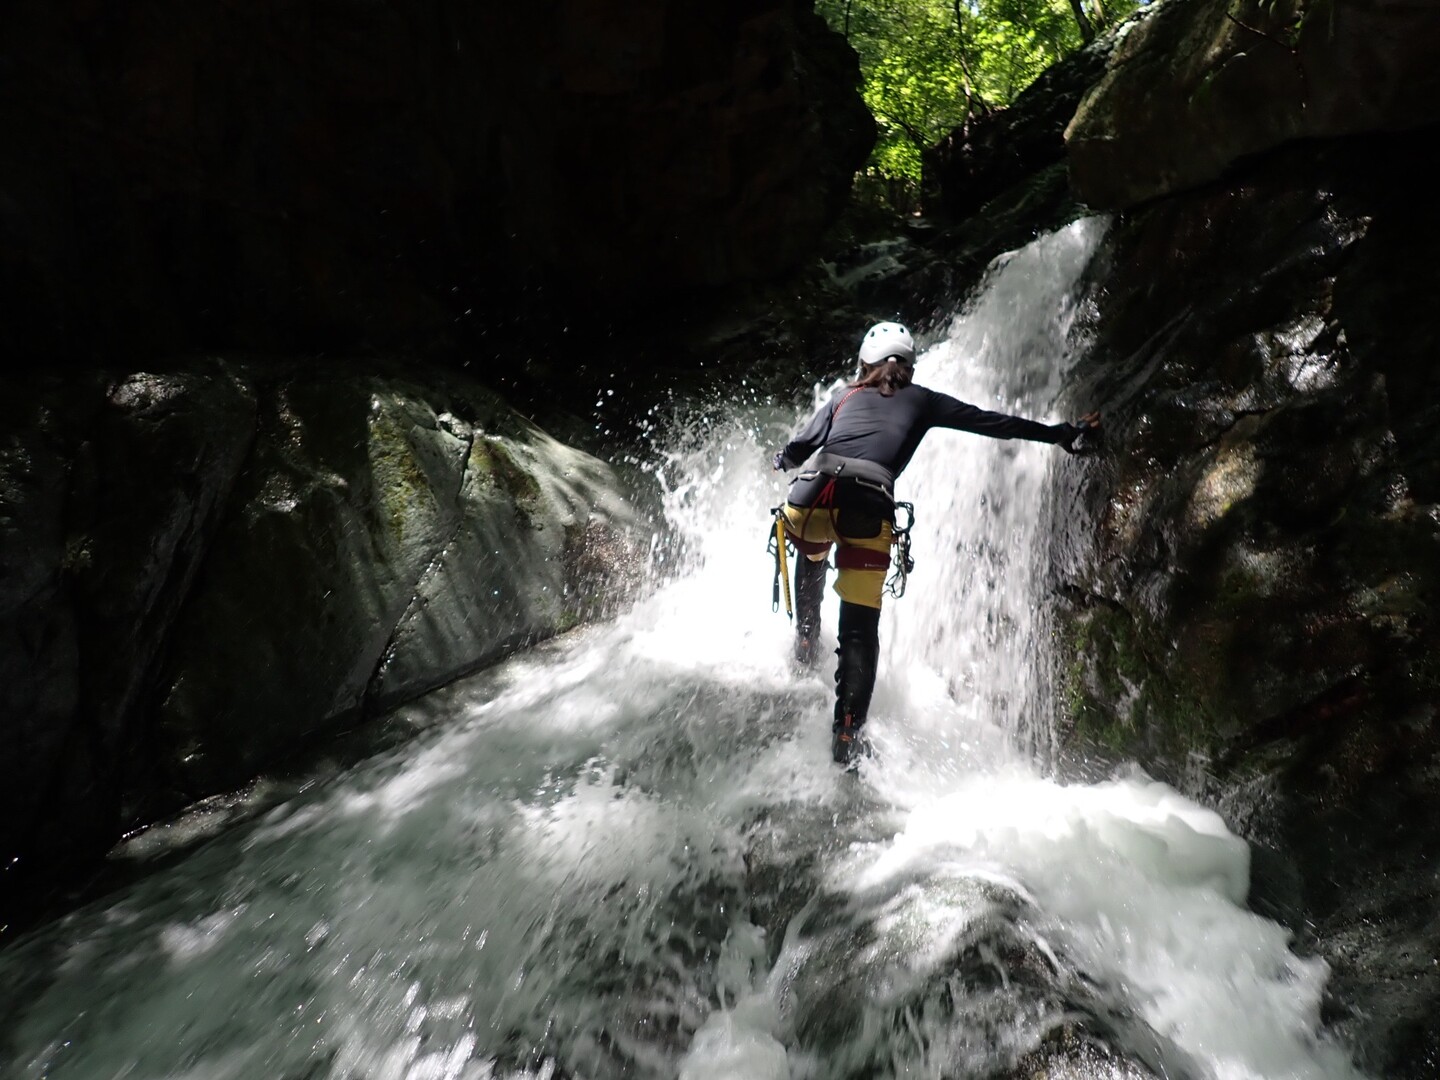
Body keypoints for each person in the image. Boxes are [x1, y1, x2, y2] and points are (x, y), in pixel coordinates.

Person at [771, 321, 1101, 766]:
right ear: (908, 367)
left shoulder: (842, 396)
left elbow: (797, 450)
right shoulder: (923, 400)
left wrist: (782, 460)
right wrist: (1061, 432)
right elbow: (995, 424)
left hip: (809, 498)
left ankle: (805, 641)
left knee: (812, 551)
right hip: (868, 505)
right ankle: (846, 735)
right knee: (858, 631)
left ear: (865, 364)